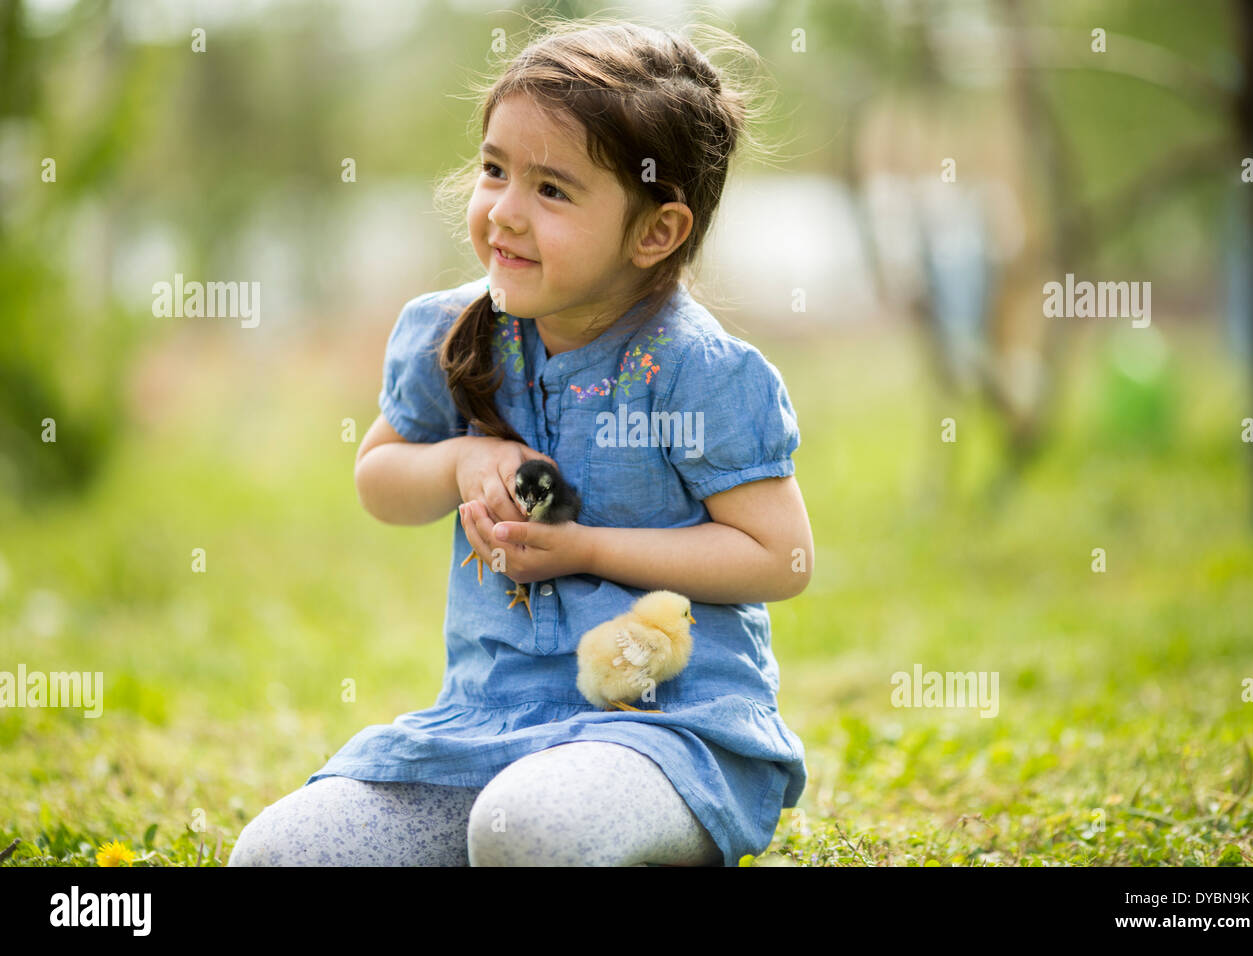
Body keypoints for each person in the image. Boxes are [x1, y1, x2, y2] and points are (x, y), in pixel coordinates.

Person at [228, 18, 814, 868]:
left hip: (664, 735)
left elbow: (781, 557)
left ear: (655, 231)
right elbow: (381, 480)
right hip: (485, 727)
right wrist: (460, 459)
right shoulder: (454, 331)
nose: (503, 210)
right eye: (496, 169)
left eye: (553, 190)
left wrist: (581, 547)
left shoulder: (697, 372)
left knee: (525, 829)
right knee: (277, 855)